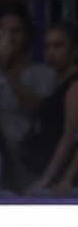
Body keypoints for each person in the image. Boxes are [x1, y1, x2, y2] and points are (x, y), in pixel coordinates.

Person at [0, 5, 54, 191]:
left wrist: (8, 69)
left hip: (26, 157)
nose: (9, 37)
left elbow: (35, 108)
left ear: (27, 35)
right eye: (3, 31)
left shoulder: (42, 73)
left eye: (15, 31)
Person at [22, 22, 78, 196]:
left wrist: (51, 178)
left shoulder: (75, 85)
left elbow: (71, 136)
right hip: (53, 177)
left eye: (58, 45)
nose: (51, 52)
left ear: (74, 49)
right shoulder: (56, 83)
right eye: (47, 47)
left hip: (65, 182)